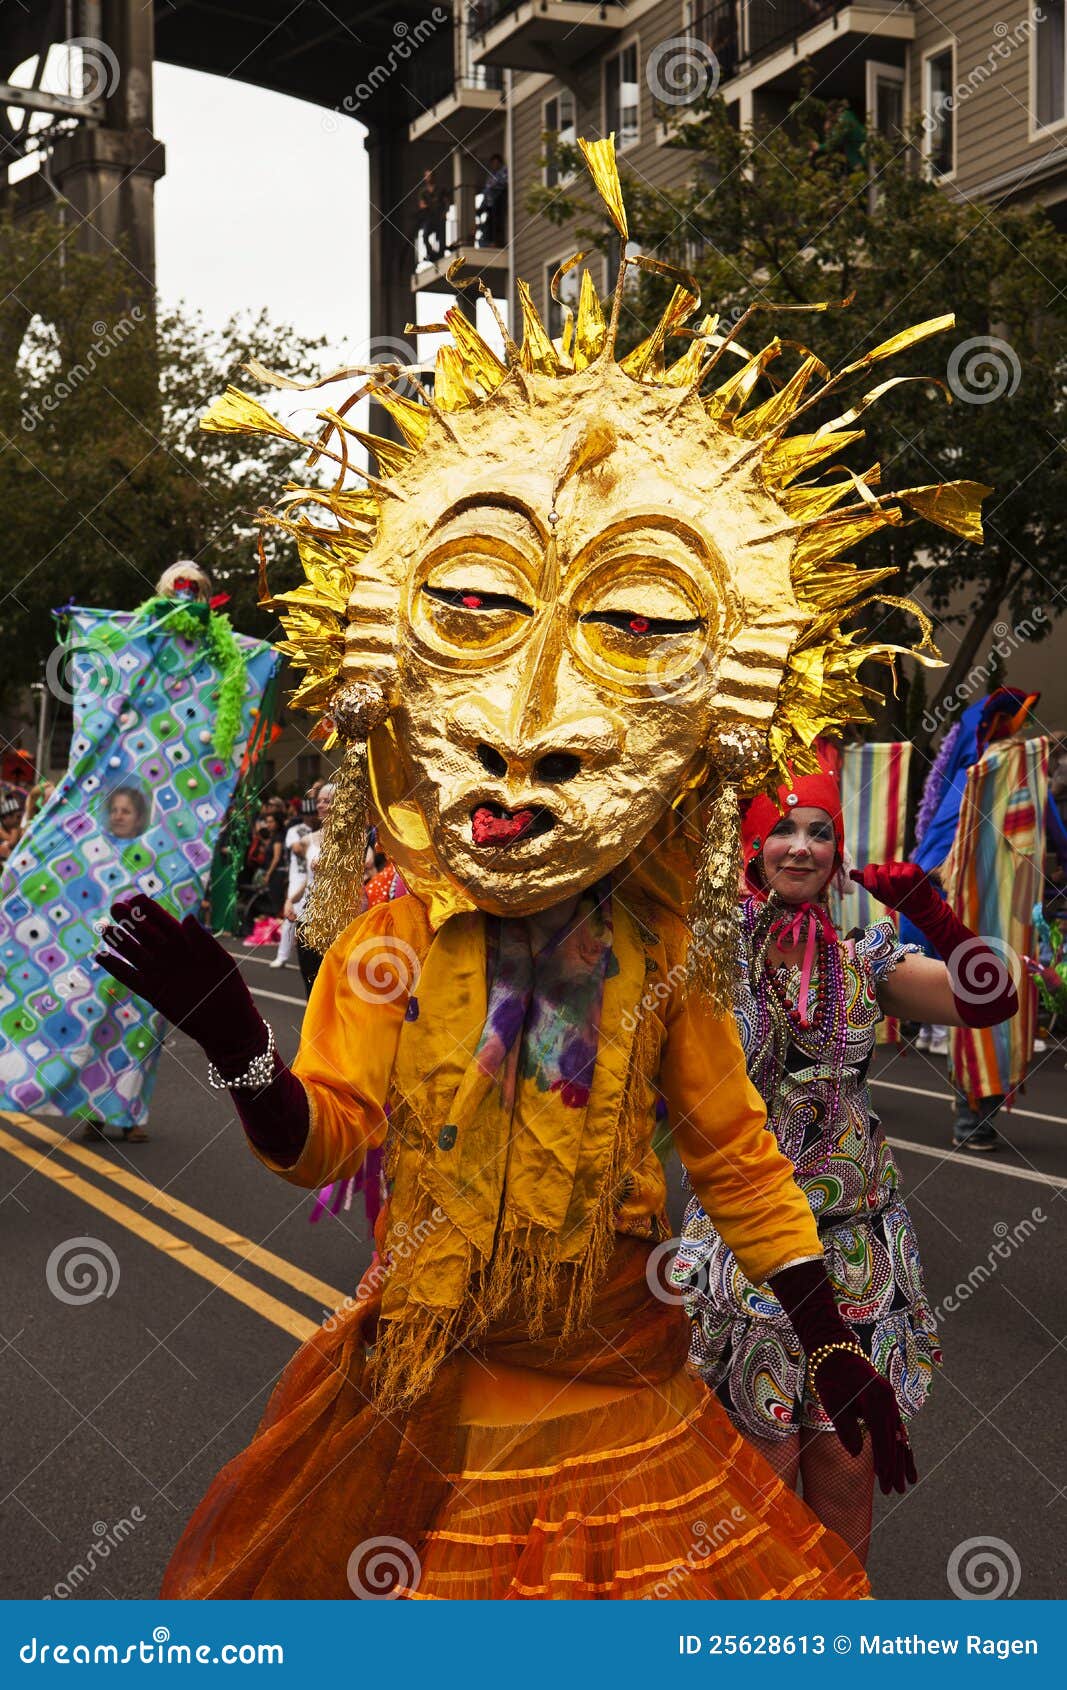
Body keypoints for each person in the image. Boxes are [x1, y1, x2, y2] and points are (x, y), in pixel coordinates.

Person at [97, 136, 989, 1599]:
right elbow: (326, 1139)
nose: (527, 737)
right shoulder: (394, 939)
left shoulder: (653, 956)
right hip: (423, 1401)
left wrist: (830, 1341)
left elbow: (736, 1156)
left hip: (619, 1406)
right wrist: (239, 1051)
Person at [674, 771, 1018, 1564]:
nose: (800, 847)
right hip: (746, 1251)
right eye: (782, 828)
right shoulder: (704, 955)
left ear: (837, 853)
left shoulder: (862, 960)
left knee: (845, 1470)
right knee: (757, 1488)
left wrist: (932, 914)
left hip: (857, 1251)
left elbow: (989, 1001)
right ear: (752, 846)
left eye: (819, 831)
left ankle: (838, 1624)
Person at [284, 783, 333, 997]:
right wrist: (290, 900)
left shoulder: (353, 839)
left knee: (333, 983)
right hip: (308, 918)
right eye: (319, 800)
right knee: (311, 981)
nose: (320, 805)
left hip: (337, 920)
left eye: (327, 801)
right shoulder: (307, 841)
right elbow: (307, 880)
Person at [270, 811, 312, 968]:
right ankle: (282, 956)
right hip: (298, 880)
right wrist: (315, 845)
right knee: (290, 918)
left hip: (314, 880)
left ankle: (311, 959)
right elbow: (297, 849)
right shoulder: (295, 830)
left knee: (311, 921)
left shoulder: (324, 830)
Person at [478, 151, 508, 247]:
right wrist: (481, 206)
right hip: (489, 203)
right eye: (492, 163)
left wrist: (492, 187)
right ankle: (488, 242)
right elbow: (486, 190)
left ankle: (497, 242)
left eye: (495, 162)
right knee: (489, 223)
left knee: (497, 223)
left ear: (499, 162)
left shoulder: (504, 171)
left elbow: (502, 184)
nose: (493, 165)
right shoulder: (491, 175)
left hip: (498, 200)